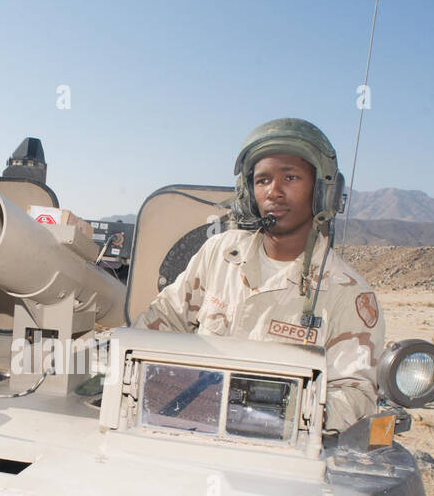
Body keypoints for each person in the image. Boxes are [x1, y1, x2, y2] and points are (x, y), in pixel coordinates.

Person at [132, 119, 384, 431]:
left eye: (290, 178)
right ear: (248, 193)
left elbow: (355, 396)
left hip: (283, 455)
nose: (274, 192)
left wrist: (282, 415)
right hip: (192, 430)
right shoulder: (220, 255)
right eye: (262, 180)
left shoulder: (347, 292)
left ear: (323, 193)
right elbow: (162, 321)